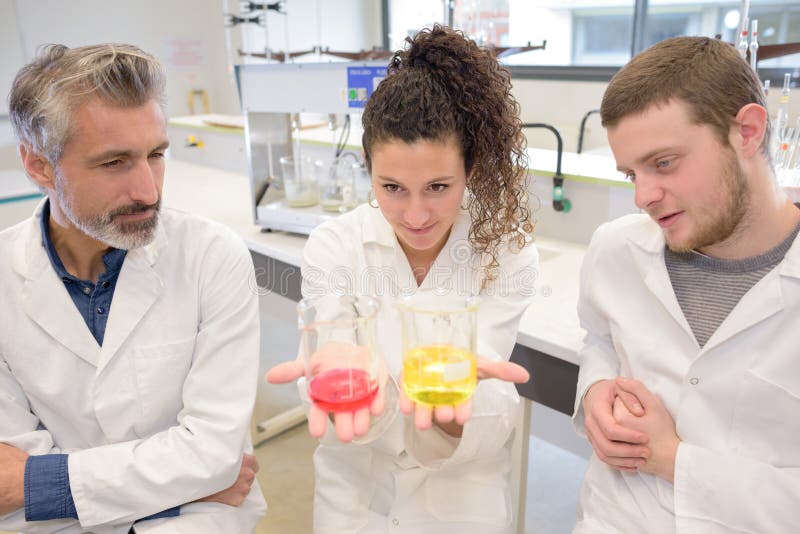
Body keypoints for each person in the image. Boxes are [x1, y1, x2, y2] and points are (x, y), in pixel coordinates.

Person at [267, 25, 538, 533]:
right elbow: (330, 372)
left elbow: (491, 396)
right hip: (355, 500)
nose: (415, 214)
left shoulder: (507, 251)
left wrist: (455, 413)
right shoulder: (336, 244)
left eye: (438, 186)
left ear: (471, 168)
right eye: (392, 187)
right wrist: (354, 385)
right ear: (366, 168)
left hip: (463, 499)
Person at [0, 44, 266, 532]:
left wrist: (43, 486)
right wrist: (184, 483)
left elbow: (215, 455)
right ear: (39, 166)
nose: (148, 191)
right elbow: (5, 488)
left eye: (156, 155)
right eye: (114, 163)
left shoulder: (212, 256)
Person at [573, 36, 800, 533]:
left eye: (664, 163)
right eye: (630, 172)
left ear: (746, 131)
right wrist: (594, 391)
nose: (643, 196)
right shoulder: (615, 250)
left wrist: (674, 460)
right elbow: (600, 341)